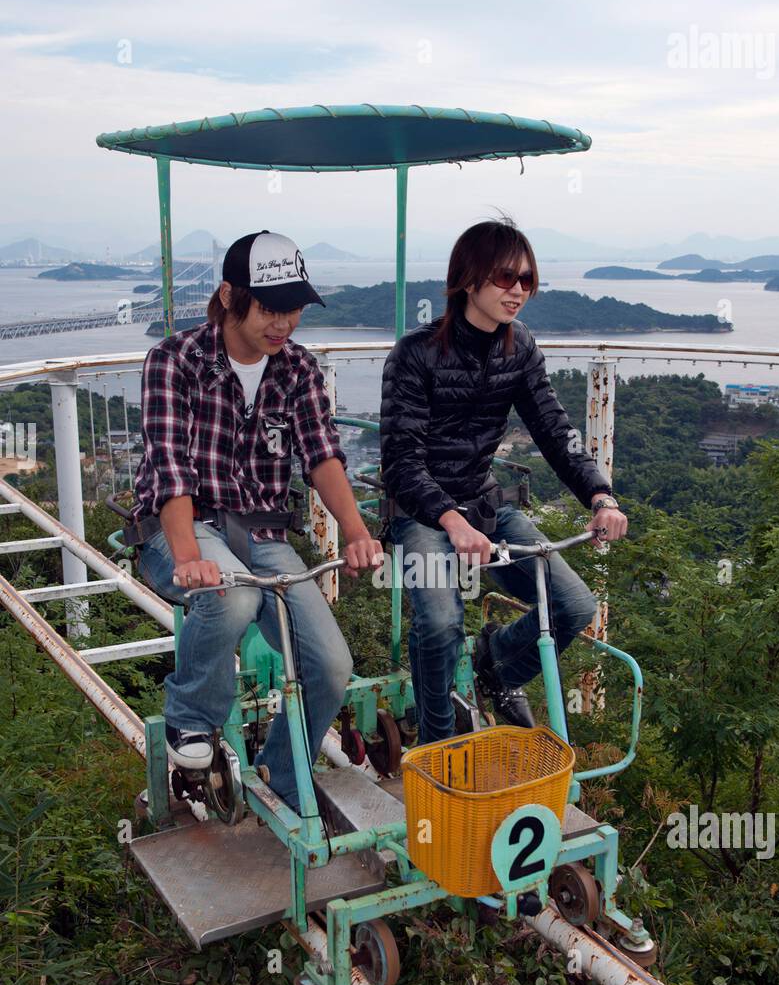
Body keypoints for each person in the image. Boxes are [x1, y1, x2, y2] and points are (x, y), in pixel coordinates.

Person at [129, 230, 382, 809]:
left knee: (330, 665)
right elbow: (170, 466)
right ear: (228, 295)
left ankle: (283, 774)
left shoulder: (297, 370)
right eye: (271, 307)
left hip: (262, 532)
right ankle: (190, 720)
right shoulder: (177, 360)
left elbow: (322, 456)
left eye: (294, 308)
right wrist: (189, 556)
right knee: (231, 598)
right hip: (186, 526)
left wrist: (357, 531)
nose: (284, 323)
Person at [380, 218, 628, 744]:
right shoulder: (415, 354)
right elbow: (401, 461)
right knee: (442, 624)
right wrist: (449, 519)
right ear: (468, 280)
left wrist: (599, 494)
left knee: (573, 605)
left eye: (526, 281)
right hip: (420, 514)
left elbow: (557, 432)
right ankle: (439, 742)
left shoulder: (519, 350)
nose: (517, 291)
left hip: (484, 505)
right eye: (504, 278)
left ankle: (499, 667)